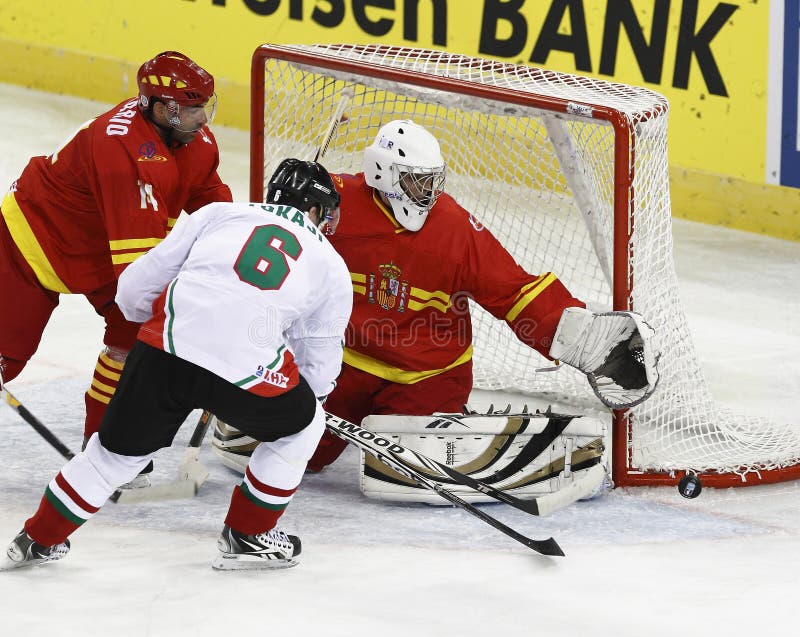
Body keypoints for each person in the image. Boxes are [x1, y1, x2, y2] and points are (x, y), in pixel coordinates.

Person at [212, 119, 659, 475]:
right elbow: (275, 254)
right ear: (383, 175)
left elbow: (513, 291)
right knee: (289, 457)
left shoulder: (453, 228)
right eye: (415, 182)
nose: (429, 194)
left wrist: (583, 338)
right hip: (342, 367)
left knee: (406, 470)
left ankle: (456, 424)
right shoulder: (334, 206)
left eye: (432, 181)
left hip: (426, 374)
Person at [0, 159, 352, 572]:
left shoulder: (219, 214)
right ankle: (249, 535)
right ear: (315, 208)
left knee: (112, 457)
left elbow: (133, 289)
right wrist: (308, 402)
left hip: (163, 346)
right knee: (304, 425)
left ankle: (37, 539)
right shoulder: (331, 264)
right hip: (246, 369)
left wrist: (162, 328)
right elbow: (319, 360)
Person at [0, 51, 232, 475]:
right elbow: (137, 277)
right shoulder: (125, 154)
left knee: (133, 335)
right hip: (34, 242)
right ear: (163, 108)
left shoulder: (195, 142)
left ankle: (105, 448)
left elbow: (213, 210)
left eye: (205, 106)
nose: (205, 120)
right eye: (195, 108)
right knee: (6, 359)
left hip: (97, 250)